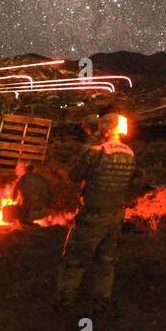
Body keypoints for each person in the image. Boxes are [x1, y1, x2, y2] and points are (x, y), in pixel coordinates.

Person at [55, 105, 137, 311]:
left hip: (92, 216)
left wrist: (91, 142)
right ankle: (101, 300)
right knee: (106, 262)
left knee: (74, 260)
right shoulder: (130, 154)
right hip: (116, 216)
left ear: (105, 129)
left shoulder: (95, 153)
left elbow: (75, 175)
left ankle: (66, 301)